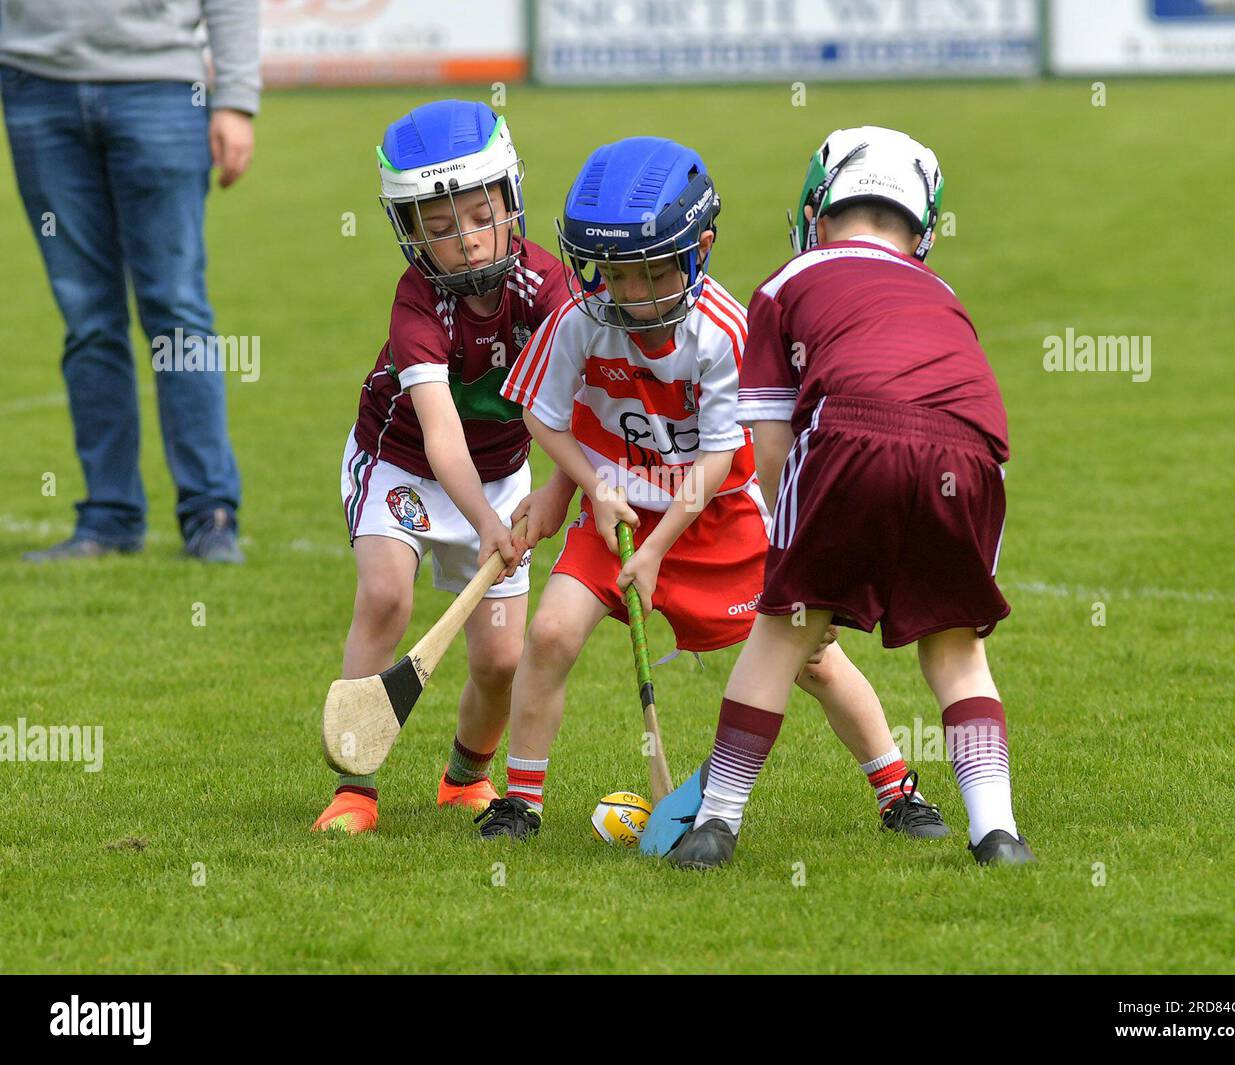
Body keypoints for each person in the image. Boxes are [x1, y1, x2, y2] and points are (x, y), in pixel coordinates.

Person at [471, 136, 948, 844]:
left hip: (717, 516)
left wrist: (661, 546)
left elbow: (724, 455)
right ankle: (521, 802)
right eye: (614, 274)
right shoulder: (581, 319)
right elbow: (543, 416)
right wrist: (577, 490)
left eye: (652, 274)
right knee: (548, 634)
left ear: (700, 248)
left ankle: (897, 792)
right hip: (616, 514)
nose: (630, 295)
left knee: (812, 657)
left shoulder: (724, 330)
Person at [668, 127, 1034, 869]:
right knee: (957, 649)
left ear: (819, 212)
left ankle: (716, 824)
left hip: (852, 434)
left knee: (781, 634)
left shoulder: (785, 283)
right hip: (974, 450)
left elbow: (771, 443)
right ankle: (996, 831)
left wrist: (797, 575)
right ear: (921, 226)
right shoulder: (943, 291)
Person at [312, 100, 577, 834]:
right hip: (400, 464)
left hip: (503, 475)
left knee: (498, 657)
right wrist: (489, 524)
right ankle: (354, 788)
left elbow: (578, 410)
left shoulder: (551, 291)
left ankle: (466, 776)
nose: (464, 239)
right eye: (438, 226)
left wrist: (554, 492)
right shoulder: (418, 303)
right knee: (387, 596)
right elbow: (440, 437)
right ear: (412, 234)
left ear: (510, 197)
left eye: (479, 213)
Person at [0, 0, 260, 563]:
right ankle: (109, 517)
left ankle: (211, 515)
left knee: (178, 312)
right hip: (33, 84)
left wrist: (236, 98)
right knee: (88, 321)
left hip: (161, 85)